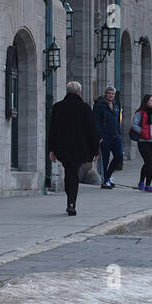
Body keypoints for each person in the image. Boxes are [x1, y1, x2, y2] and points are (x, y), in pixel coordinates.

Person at [48, 81, 99, 215]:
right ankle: (71, 203)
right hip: (80, 148)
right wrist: (95, 150)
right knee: (73, 173)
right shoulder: (85, 108)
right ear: (79, 92)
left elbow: (52, 130)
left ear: (67, 91)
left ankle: (70, 200)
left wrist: (51, 149)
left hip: (62, 148)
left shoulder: (58, 107)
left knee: (69, 172)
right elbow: (91, 130)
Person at [92, 85, 123, 189]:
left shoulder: (116, 104)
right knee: (105, 159)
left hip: (116, 135)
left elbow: (118, 120)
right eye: (109, 93)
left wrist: (119, 132)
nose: (111, 95)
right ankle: (104, 181)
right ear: (106, 94)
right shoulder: (99, 105)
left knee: (119, 156)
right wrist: (99, 136)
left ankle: (108, 176)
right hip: (105, 136)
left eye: (112, 94)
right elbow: (95, 122)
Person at [131, 94, 152, 192]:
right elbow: (134, 125)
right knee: (148, 162)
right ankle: (141, 181)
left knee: (151, 164)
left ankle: (148, 185)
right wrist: (142, 132)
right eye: (150, 100)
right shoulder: (140, 113)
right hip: (143, 141)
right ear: (146, 102)